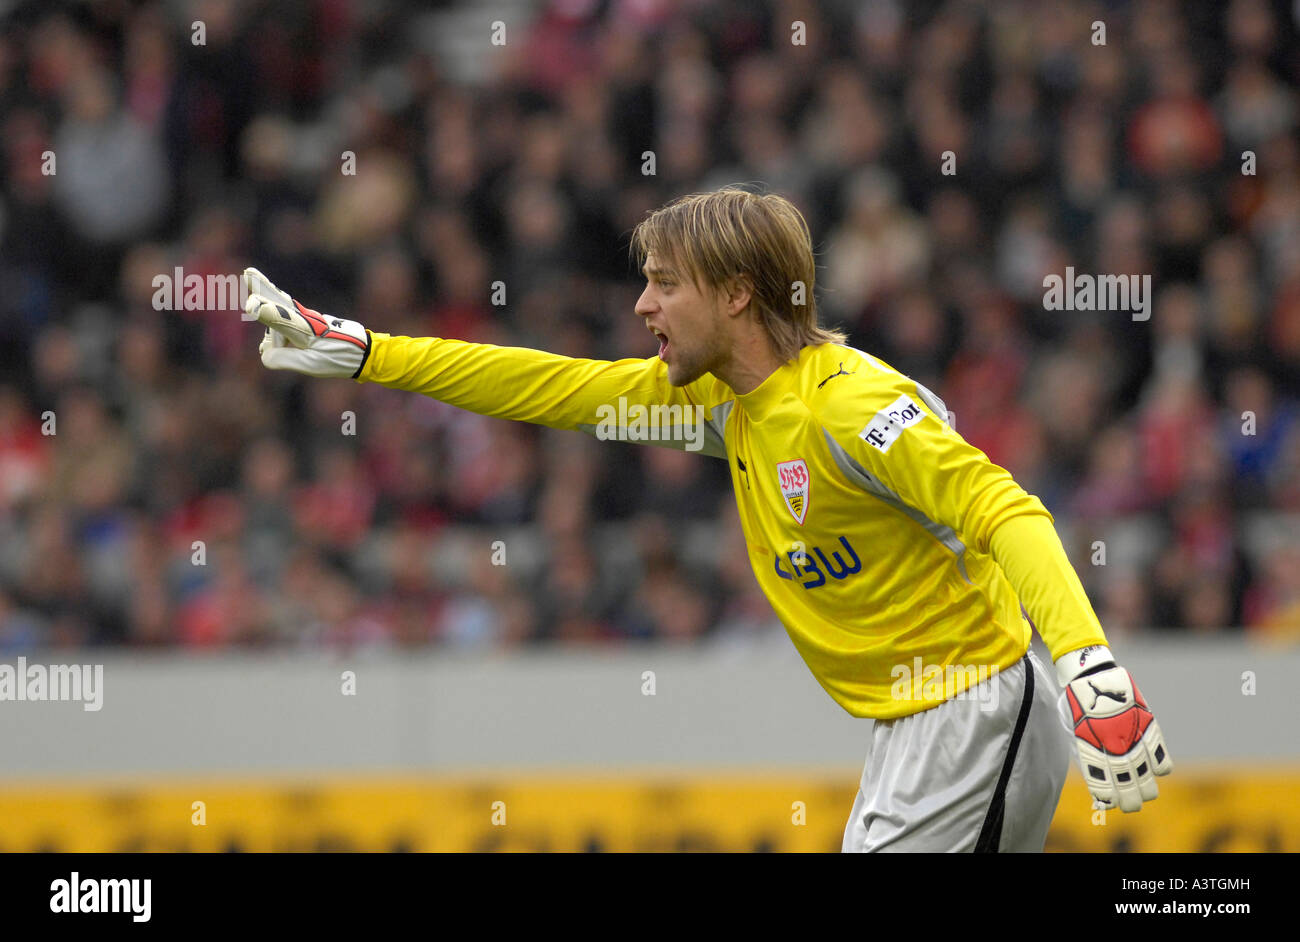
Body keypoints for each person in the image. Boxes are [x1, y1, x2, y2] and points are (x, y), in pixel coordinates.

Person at [239, 187, 1172, 852]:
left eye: (664, 284)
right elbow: (551, 386)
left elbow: (1005, 508)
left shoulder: (848, 406)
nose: (643, 305)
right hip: (919, 726)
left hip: (973, 711)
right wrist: (367, 351)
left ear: (734, 294)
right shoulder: (723, 400)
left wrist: (1089, 664)